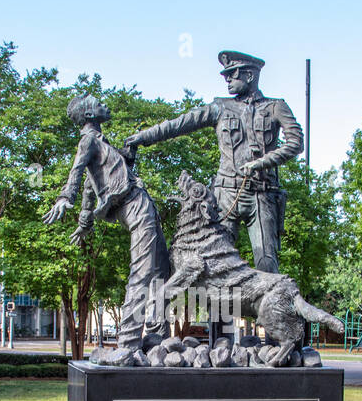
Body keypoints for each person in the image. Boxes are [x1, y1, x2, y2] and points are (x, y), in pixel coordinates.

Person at [123, 50, 303, 274]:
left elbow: (296, 143)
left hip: (262, 195)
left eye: (232, 74)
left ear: (249, 76)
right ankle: (221, 310)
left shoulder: (276, 107)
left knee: (267, 266)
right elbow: (180, 123)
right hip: (225, 195)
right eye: (226, 75)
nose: (227, 80)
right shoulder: (220, 108)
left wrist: (262, 163)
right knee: (217, 263)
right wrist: (144, 137)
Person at [44, 94, 170, 353]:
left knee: (161, 271)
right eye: (98, 103)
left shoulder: (102, 145)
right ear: (89, 115)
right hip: (133, 205)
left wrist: (84, 221)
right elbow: (76, 170)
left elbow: (91, 186)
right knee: (144, 271)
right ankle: (128, 341)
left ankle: (158, 337)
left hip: (141, 204)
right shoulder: (89, 140)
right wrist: (64, 197)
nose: (105, 105)